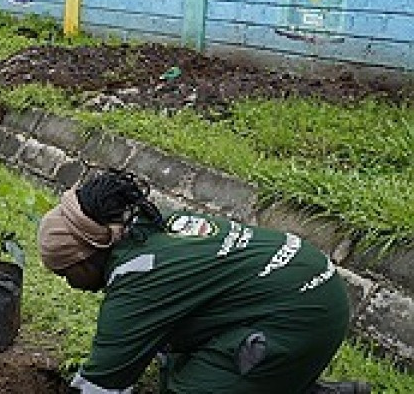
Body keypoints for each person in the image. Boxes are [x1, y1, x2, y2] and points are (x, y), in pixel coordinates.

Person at [36, 169, 371, 394]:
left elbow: (103, 382)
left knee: (185, 389)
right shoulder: (153, 227)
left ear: (87, 257)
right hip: (307, 284)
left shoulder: (138, 274)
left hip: (300, 316)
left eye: (66, 273)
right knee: (174, 365)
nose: (68, 283)